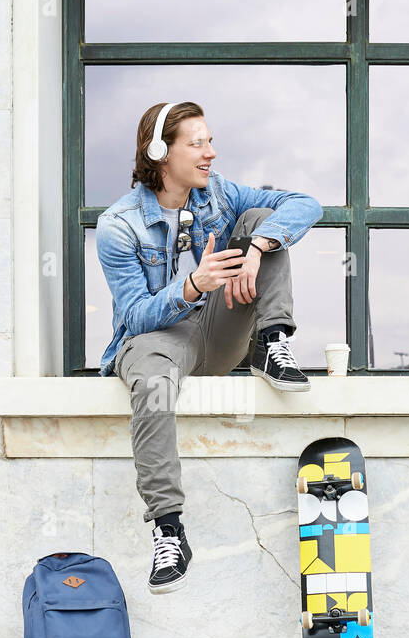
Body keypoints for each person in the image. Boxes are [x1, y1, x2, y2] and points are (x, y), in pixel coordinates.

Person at [96, 100, 323, 593]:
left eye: (210, 142)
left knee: (265, 218)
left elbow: (306, 204)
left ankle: (271, 341)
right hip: (156, 340)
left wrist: (258, 248)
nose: (211, 154)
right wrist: (192, 285)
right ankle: (168, 529)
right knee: (153, 388)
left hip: (220, 332)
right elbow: (134, 314)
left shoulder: (218, 194)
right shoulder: (118, 225)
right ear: (160, 152)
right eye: (198, 143)